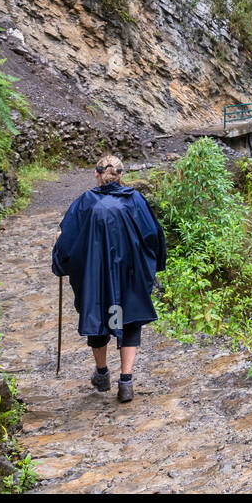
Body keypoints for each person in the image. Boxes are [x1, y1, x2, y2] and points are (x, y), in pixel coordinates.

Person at [51, 155, 166, 402]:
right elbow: (152, 235)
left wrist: (60, 259)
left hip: (95, 275)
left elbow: (67, 241)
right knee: (130, 320)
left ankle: (102, 373)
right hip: (130, 274)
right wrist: (153, 266)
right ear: (121, 175)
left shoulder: (84, 203)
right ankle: (126, 380)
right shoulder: (135, 200)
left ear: (96, 174)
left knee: (98, 314)